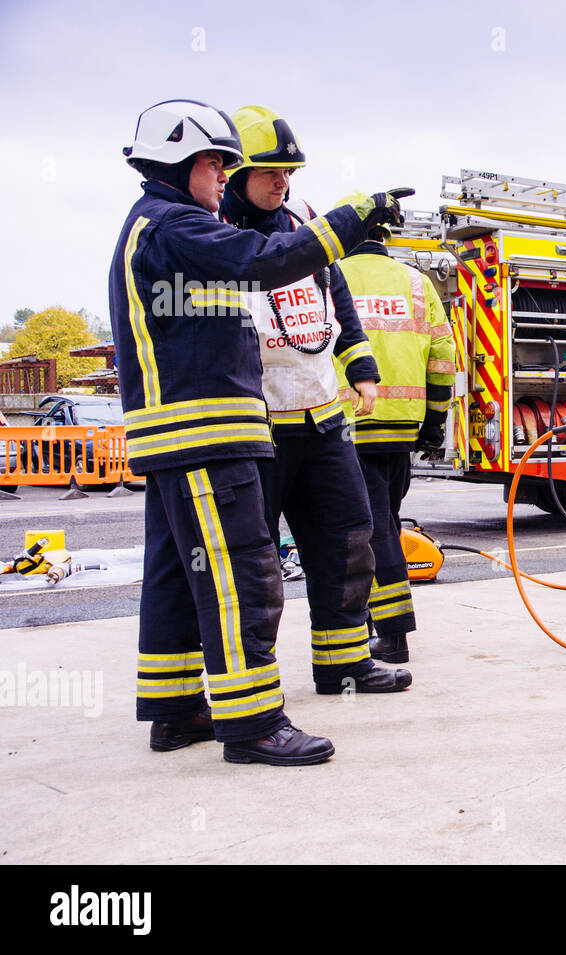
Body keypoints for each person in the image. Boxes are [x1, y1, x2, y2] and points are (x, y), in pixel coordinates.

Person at [111, 99, 406, 765]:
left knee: (179, 571)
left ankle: (177, 707)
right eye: (215, 162)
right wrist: (352, 218)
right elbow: (265, 262)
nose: (223, 173)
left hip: (193, 434)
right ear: (179, 162)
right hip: (205, 433)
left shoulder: (164, 225)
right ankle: (252, 724)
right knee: (241, 573)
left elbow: (314, 295)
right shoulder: (175, 225)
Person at [219, 105, 411, 695]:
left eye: (289, 172)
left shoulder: (302, 222)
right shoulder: (220, 237)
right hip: (261, 424)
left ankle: (344, 662)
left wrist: (362, 368)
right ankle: (251, 682)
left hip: (322, 418)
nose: (282, 182)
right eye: (270, 171)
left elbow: (338, 301)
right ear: (234, 176)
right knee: (254, 562)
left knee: (347, 540)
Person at [333, 194, 456, 665]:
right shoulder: (417, 283)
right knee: (382, 520)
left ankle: (390, 632)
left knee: (365, 531)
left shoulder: (333, 277)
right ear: (389, 234)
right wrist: (434, 425)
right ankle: (379, 626)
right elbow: (444, 360)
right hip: (402, 429)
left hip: (347, 426)